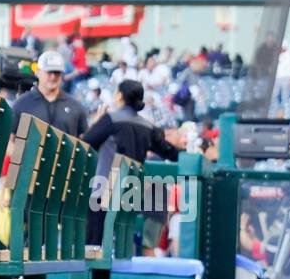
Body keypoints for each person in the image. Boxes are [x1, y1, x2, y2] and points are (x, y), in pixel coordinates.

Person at [82, 79, 180, 245]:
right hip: (131, 196)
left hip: (104, 193)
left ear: (119, 96)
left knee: (94, 246)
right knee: (123, 247)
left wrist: (96, 123)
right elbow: (171, 153)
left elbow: (86, 144)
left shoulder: (110, 120)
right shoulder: (149, 127)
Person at [11, 50, 88, 138]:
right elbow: (9, 140)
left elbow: (84, 142)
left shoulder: (75, 106)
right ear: (38, 72)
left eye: (57, 73)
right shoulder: (22, 104)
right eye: (49, 72)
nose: (53, 76)